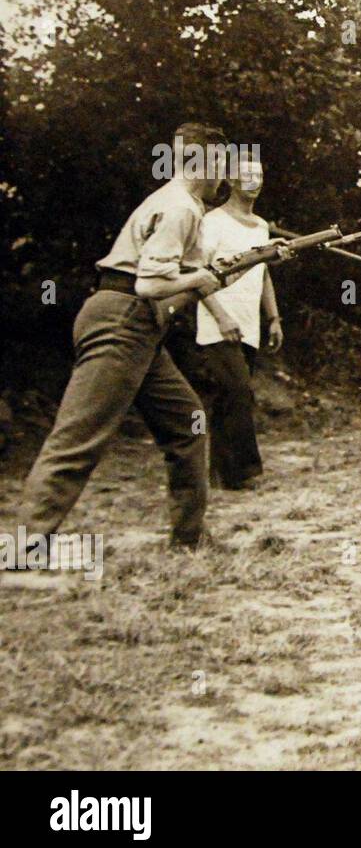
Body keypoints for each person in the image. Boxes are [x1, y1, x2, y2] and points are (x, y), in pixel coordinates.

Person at [12, 123, 232, 562]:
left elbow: (172, 285)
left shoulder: (177, 204)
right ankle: (25, 547)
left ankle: (189, 540)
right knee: (77, 438)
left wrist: (216, 278)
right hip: (124, 319)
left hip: (137, 324)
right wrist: (203, 276)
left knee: (189, 422)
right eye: (220, 166)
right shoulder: (180, 208)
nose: (223, 179)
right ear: (201, 163)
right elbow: (151, 284)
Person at [167, 153, 283, 490]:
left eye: (259, 175)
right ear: (231, 181)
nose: (255, 182)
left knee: (227, 398)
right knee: (238, 392)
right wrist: (221, 316)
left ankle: (220, 474)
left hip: (250, 324)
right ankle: (243, 473)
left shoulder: (261, 226)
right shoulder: (212, 222)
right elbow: (196, 274)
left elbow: (263, 274)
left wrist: (273, 317)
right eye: (247, 175)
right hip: (218, 323)